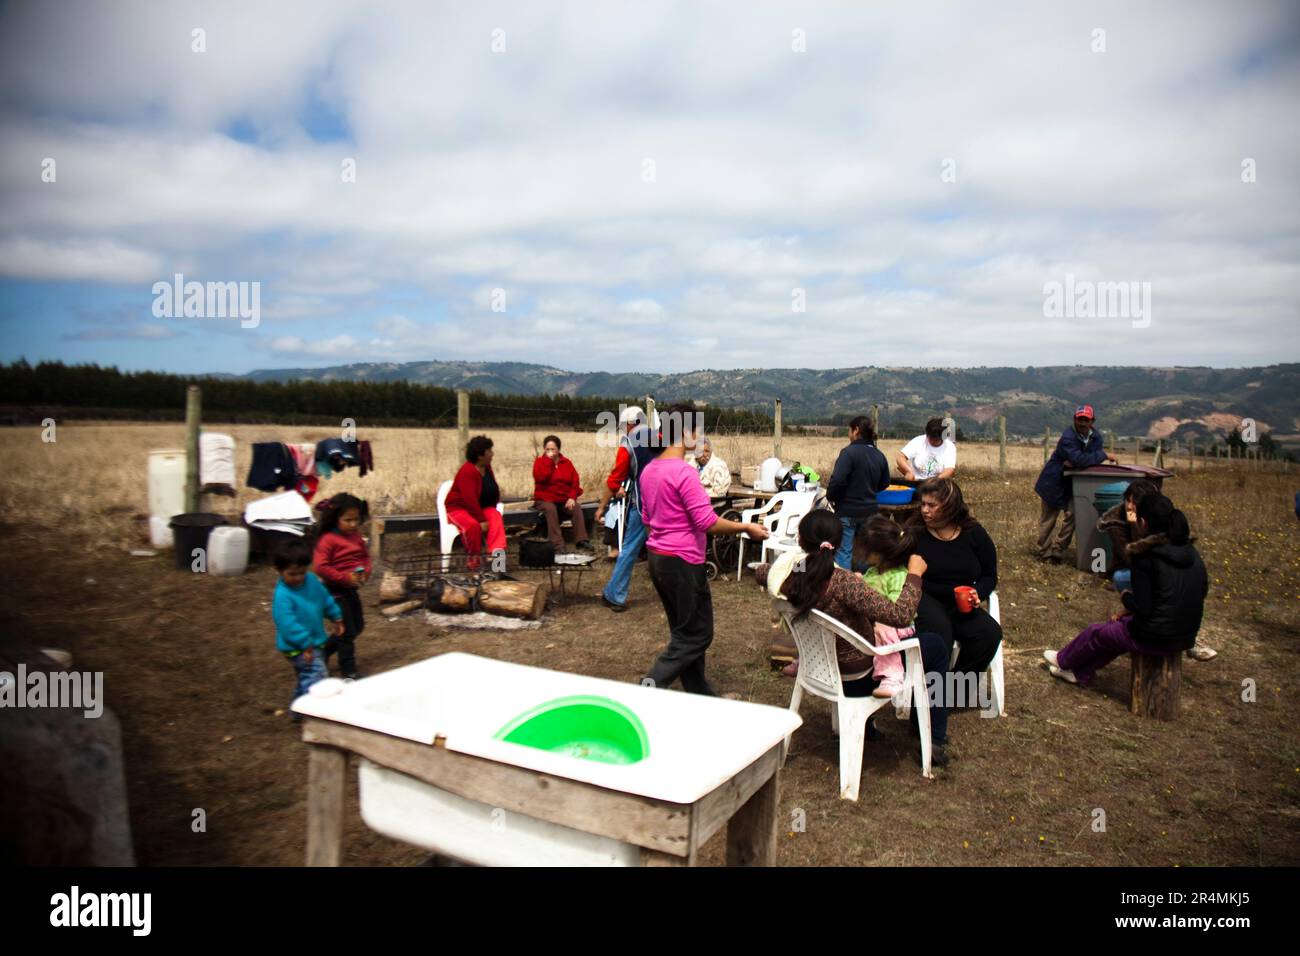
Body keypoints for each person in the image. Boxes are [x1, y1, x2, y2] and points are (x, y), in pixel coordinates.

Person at [757, 509, 954, 767]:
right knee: (937, 646)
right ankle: (935, 739)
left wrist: (778, 565)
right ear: (840, 544)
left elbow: (763, 572)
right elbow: (901, 614)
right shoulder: (844, 582)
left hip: (818, 668)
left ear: (800, 541)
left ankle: (869, 726)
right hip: (857, 678)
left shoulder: (788, 576)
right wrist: (915, 575)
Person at [640, 404, 769, 695]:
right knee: (698, 633)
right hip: (683, 563)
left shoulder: (649, 471)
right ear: (686, 433)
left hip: (658, 559)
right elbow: (707, 522)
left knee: (683, 632)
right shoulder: (684, 473)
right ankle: (648, 686)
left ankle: (699, 695)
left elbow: (647, 519)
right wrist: (745, 528)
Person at [1045, 494, 1208, 686]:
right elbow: (1202, 591)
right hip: (1187, 634)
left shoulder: (1145, 557)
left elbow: (1143, 608)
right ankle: (1079, 672)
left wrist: (1126, 596)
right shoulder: (1191, 553)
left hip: (1156, 637)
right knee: (1115, 631)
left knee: (1098, 632)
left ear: (1143, 522)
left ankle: (1064, 660)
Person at [1097, 480, 1217, 662]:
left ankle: (1188, 639)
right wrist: (1135, 525)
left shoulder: (1162, 517)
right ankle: (1140, 616)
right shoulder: (1118, 521)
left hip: (1158, 571)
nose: (1130, 506)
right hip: (1135, 570)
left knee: (1182, 590)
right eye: (1127, 500)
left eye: (1135, 502)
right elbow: (1132, 557)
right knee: (1122, 577)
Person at [908, 478, 1004, 697]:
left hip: (960, 603)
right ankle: (925, 707)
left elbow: (990, 574)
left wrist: (978, 592)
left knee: (988, 634)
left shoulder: (974, 533)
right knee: (940, 633)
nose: (925, 510)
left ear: (950, 506)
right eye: (922, 504)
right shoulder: (915, 533)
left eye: (932, 505)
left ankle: (951, 695)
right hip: (926, 598)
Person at [1033, 404, 1118, 563]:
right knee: (1048, 519)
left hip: (1075, 482)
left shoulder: (1096, 437)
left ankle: (1058, 549)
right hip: (1054, 480)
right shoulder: (1068, 437)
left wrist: (1081, 462)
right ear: (1074, 419)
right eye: (1080, 419)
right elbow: (1080, 459)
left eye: (1086, 420)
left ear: (1092, 421)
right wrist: (1102, 455)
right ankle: (1044, 551)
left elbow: (1083, 461)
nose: (1082, 423)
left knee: (1073, 514)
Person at [594, 406, 659, 612]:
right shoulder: (659, 436)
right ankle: (611, 592)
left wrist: (602, 507)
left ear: (631, 423)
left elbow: (614, 480)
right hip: (665, 501)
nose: (623, 430)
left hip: (643, 505)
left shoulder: (628, 444)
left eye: (624, 425)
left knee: (629, 549)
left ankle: (616, 596)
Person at [273, 540, 343, 713]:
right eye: (292, 574)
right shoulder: (283, 596)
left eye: (301, 573)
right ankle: (310, 714)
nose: (298, 578)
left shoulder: (311, 582)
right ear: (279, 571)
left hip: (313, 643)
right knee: (317, 678)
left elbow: (325, 599)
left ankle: (297, 711)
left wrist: (336, 616)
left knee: (307, 678)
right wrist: (305, 644)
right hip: (298, 646)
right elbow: (288, 625)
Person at [859, 515, 921, 699]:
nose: (862, 552)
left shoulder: (897, 576)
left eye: (866, 549)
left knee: (883, 631)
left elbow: (897, 611)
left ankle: (892, 675)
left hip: (897, 626)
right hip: (875, 619)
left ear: (879, 553)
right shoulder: (872, 571)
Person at [311, 493, 371, 680]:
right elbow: (320, 566)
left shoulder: (356, 537)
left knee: (358, 626)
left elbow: (364, 557)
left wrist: (365, 572)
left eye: (356, 520)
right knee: (346, 631)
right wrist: (344, 578)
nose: (353, 524)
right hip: (333, 590)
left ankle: (323, 651)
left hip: (350, 588)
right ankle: (349, 672)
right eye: (348, 520)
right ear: (335, 518)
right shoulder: (328, 540)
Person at [825, 415, 890, 570]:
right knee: (864, 551)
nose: (849, 434)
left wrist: (831, 496)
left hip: (847, 510)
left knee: (844, 551)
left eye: (850, 430)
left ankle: (843, 587)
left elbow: (838, 480)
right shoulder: (879, 455)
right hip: (870, 511)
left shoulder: (848, 453)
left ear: (856, 430)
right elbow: (885, 483)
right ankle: (863, 586)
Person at [445, 435, 507, 571]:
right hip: (458, 508)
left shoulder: (487, 468)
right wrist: (481, 520)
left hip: (480, 507)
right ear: (480, 455)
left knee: (495, 517)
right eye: (489, 451)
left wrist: (490, 510)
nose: (492, 453)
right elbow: (469, 499)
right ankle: (473, 562)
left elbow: (491, 488)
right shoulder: (467, 471)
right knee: (472, 526)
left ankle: (497, 562)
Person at [532, 435, 592, 553]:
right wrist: (549, 462)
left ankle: (581, 540)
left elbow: (575, 482)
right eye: (547, 449)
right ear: (544, 449)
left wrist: (572, 497)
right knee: (550, 509)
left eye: (553, 449)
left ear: (558, 450)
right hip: (545, 499)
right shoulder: (540, 462)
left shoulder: (566, 463)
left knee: (576, 508)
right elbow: (540, 478)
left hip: (563, 499)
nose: (550, 452)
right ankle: (557, 544)